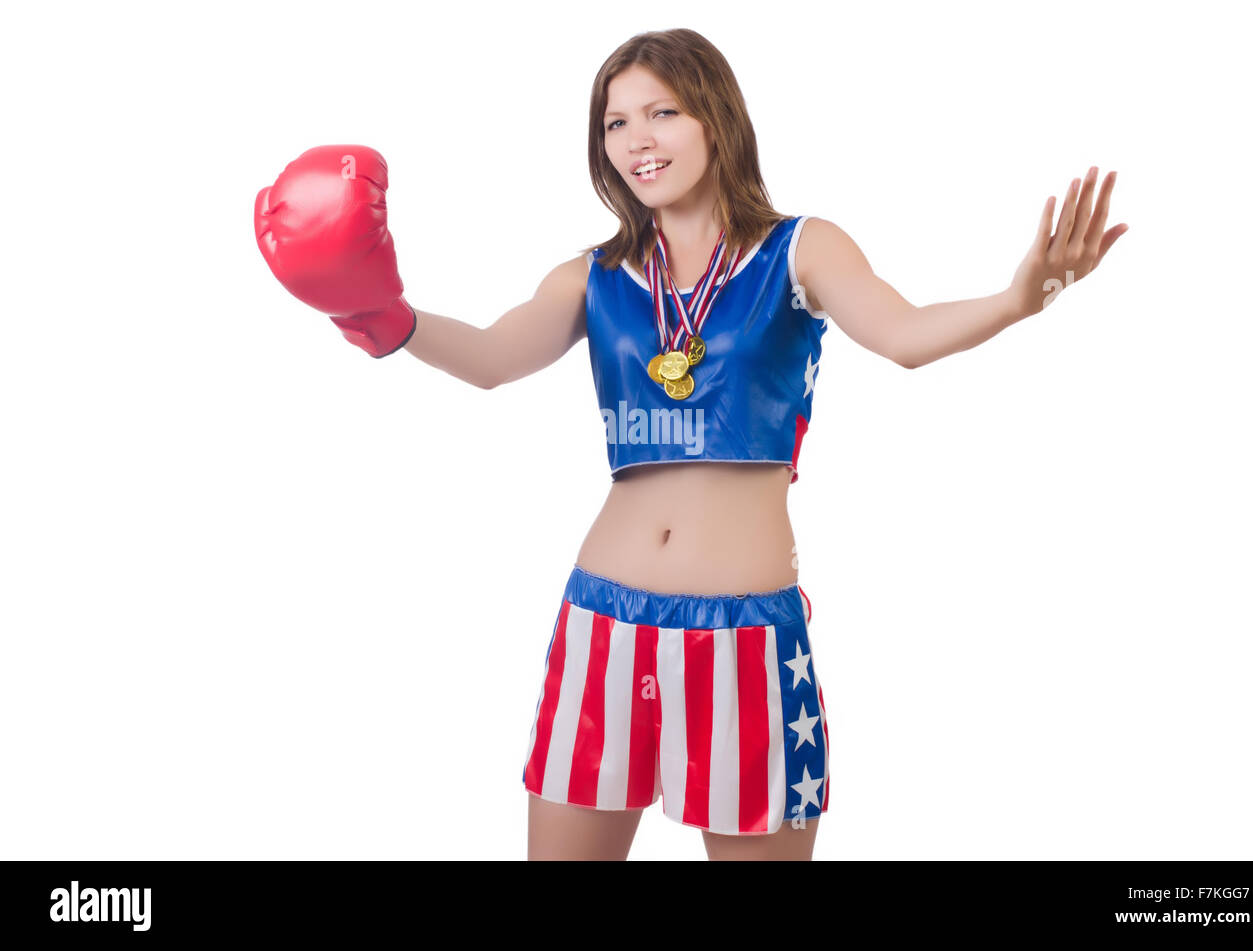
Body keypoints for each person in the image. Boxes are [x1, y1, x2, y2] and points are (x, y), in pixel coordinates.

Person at [254, 29, 1126, 862]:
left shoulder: (800, 250)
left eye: (661, 111)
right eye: (615, 121)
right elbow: (490, 356)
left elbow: (901, 332)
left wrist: (1017, 299)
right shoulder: (592, 275)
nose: (637, 138)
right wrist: (379, 315)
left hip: (745, 635)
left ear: (716, 118)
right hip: (602, 619)